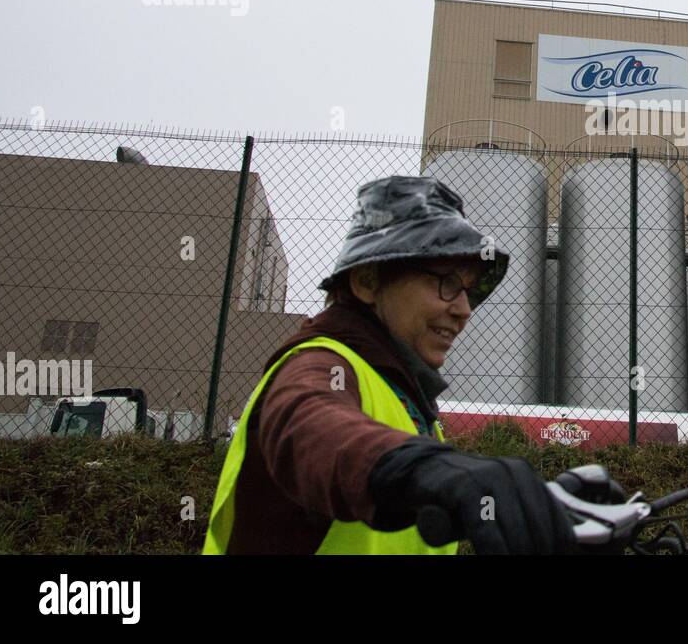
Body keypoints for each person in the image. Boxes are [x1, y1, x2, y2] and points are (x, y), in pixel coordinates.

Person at [203, 175, 576, 555]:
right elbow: (309, 425)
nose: (464, 310)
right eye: (446, 283)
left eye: (467, 290)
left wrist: (551, 513)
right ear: (367, 281)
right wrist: (419, 468)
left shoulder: (406, 405)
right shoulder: (319, 365)